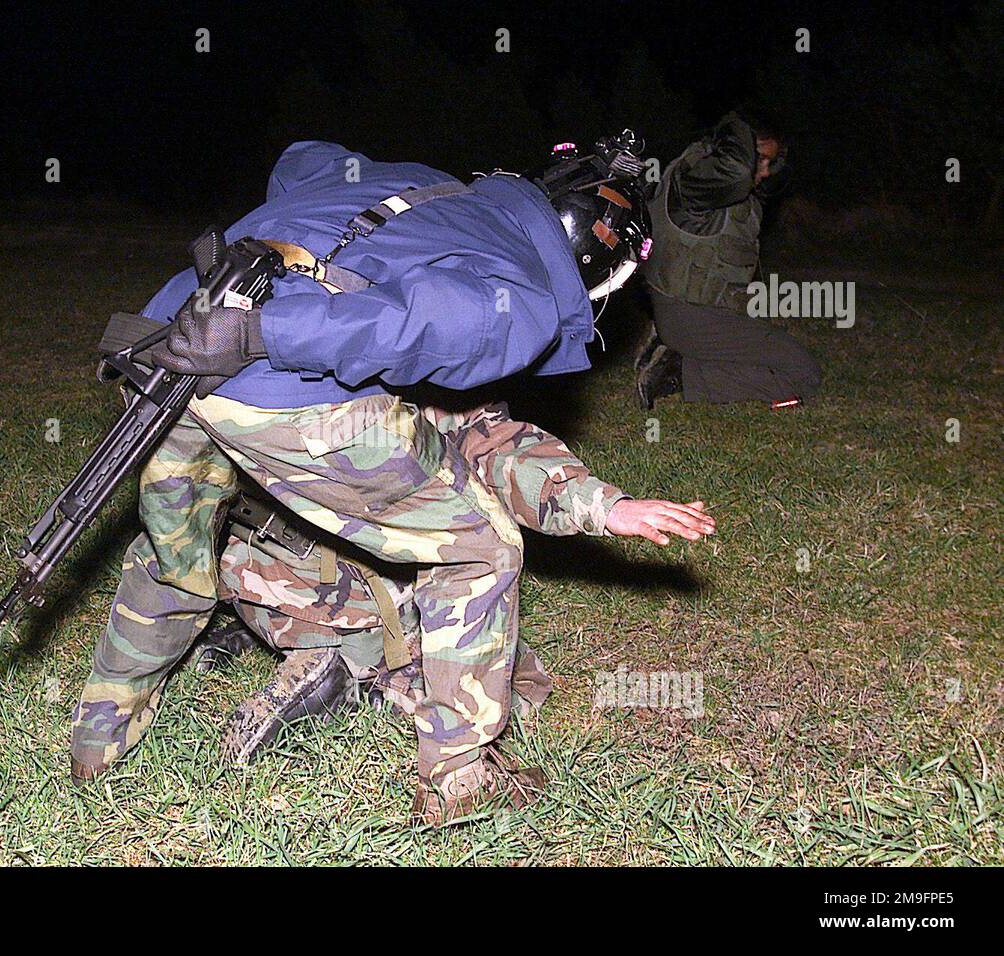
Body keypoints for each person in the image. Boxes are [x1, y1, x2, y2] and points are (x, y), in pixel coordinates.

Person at [72, 136, 653, 823]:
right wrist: (265, 331)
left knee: (177, 551)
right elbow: (408, 326)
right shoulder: (520, 293)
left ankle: (96, 744)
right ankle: (457, 781)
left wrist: (599, 505)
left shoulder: (428, 189)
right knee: (480, 550)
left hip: (170, 339)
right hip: (260, 369)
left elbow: (300, 159)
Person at [197, 400, 714, 824]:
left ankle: (281, 638)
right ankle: (402, 723)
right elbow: (493, 444)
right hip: (341, 593)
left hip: (252, 577)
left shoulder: (239, 357)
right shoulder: (399, 354)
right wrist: (601, 506)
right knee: (511, 669)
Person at [636, 111, 822, 408]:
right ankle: (675, 372)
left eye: (769, 163)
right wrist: (735, 123)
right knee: (803, 373)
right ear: (737, 148)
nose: (764, 172)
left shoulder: (723, 191)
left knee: (774, 355)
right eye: (759, 159)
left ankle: (672, 354)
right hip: (688, 317)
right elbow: (736, 172)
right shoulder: (695, 183)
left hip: (704, 315)